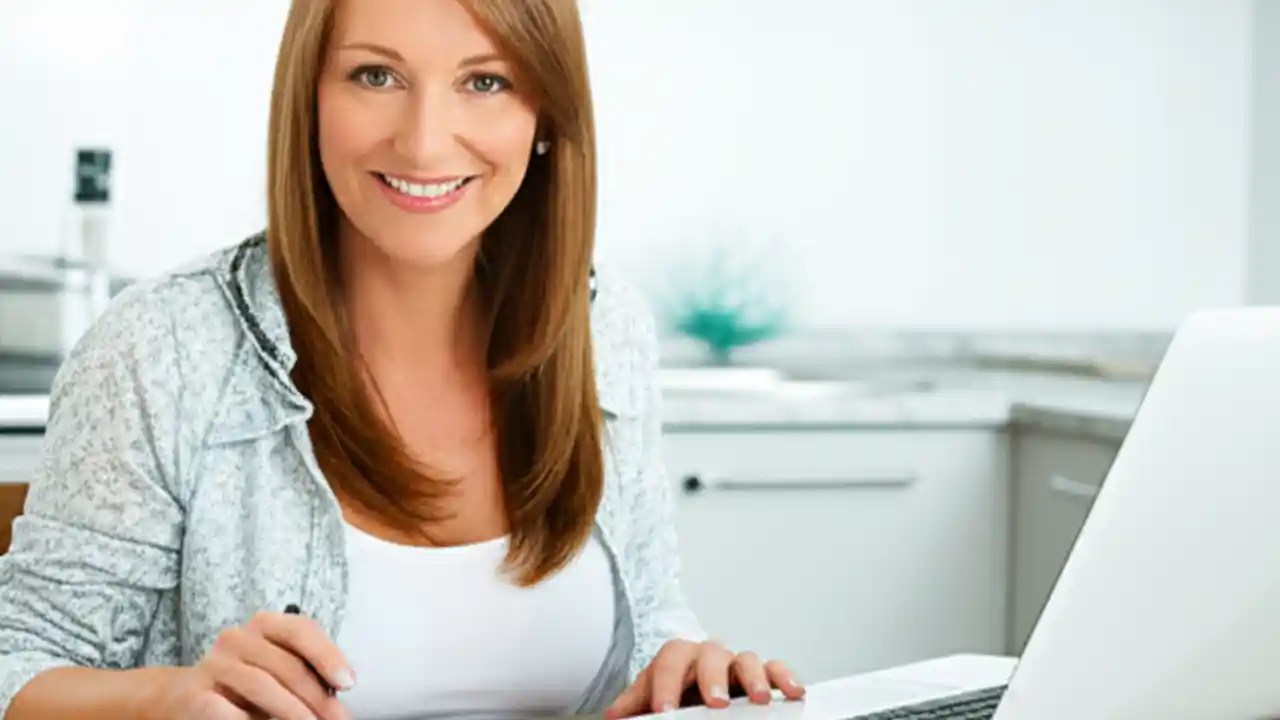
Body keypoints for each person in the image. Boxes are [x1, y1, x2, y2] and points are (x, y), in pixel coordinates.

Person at [0, 1, 806, 718]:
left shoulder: (605, 327)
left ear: (546, 116)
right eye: (376, 75)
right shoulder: (166, 346)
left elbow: (649, 614)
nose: (423, 142)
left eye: (485, 82)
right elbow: (17, 662)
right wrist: (165, 700)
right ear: (310, 98)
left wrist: (684, 672)